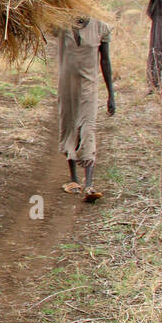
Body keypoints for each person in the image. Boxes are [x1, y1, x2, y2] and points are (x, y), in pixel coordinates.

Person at [57, 15, 115, 202]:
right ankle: (74, 180)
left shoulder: (101, 27)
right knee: (69, 126)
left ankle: (89, 183)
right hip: (67, 87)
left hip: (88, 87)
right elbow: (41, 25)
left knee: (88, 127)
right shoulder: (62, 24)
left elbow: (105, 62)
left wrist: (111, 94)